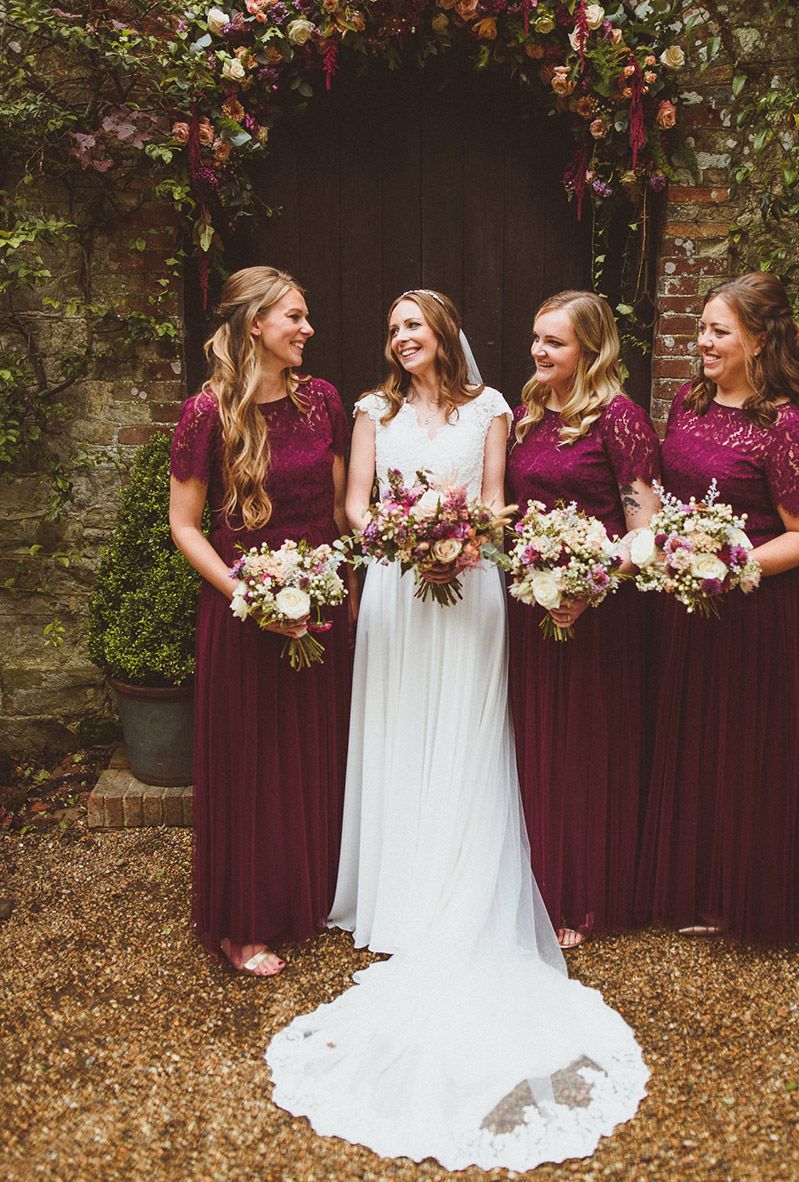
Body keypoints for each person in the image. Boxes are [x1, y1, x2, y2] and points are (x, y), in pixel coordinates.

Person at [265, 290, 649, 1171]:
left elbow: (497, 501)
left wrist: (461, 537)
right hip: (400, 586)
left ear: (443, 333)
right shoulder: (369, 411)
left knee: (472, 729)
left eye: (414, 325)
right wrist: (402, 537)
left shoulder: (495, 409)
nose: (401, 338)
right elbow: (355, 507)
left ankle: (459, 880)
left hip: (472, 584)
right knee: (398, 725)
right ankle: (394, 892)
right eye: (391, 326)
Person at [635, 272, 799, 944]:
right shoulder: (688, 407)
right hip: (686, 608)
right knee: (691, 742)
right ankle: (692, 886)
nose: (704, 342)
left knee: (742, 751)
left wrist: (730, 561)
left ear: (757, 340)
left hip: (754, 616)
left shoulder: (789, 430)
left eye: (719, 330)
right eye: (702, 329)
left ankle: (743, 895)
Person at [169, 265, 352, 977]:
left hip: (322, 605)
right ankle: (240, 922)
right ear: (256, 327)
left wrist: (349, 588)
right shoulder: (205, 413)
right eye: (294, 318)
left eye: (306, 319)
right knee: (251, 765)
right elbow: (185, 527)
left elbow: (336, 512)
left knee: (312, 755)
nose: (308, 330)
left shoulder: (324, 401)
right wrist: (250, 593)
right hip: (243, 611)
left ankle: (303, 900)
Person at [506, 290, 661, 948]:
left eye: (556, 342)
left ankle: (587, 894)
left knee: (588, 752)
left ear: (589, 351)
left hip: (600, 617)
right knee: (539, 747)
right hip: (532, 609)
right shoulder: (527, 413)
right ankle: (538, 888)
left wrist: (589, 586)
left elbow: (646, 531)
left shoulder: (620, 420)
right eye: (537, 338)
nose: (539, 351)